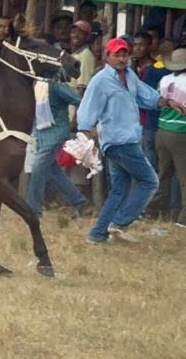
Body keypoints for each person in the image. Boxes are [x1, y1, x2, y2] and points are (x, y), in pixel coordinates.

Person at [77, 38, 180, 244]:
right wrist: (85, 134)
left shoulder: (130, 75)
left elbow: (147, 96)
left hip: (129, 139)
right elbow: (86, 110)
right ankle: (119, 223)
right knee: (150, 181)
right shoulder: (100, 80)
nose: (122, 58)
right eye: (117, 54)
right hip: (117, 141)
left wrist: (167, 101)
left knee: (119, 190)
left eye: (124, 54)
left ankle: (97, 234)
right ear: (107, 56)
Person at [25, 79, 87, 217]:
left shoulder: (56, 84)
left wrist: (81, 123)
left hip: (56, 132)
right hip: (41, 133)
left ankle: (32, 209)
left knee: (37, 168)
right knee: (52, 171)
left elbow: (79, 100)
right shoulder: (31, 82)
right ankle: (78, 201)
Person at [149, 48, 186, 227]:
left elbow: (158, 101)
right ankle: (184, 218)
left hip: (161, 131)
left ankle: (151, 210)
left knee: (163, 174)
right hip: (181, 133)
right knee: (184, 177)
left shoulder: (164, 80)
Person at [132, 30, 170, 169]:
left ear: (150, 47)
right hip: (138, 122)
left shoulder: (155, 69)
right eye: (135, 45)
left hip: (149, 122)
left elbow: (148, 97)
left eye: (142, 45)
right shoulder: (132, 67)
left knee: (150, 164)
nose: (137, 48)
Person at [69, 20, 98, 95]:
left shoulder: (86, 55)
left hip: (74, 104)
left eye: (80, 33)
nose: (76, 35)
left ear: (87, 37)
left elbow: (82, 87)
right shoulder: (75, 54)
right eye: (74, 32)